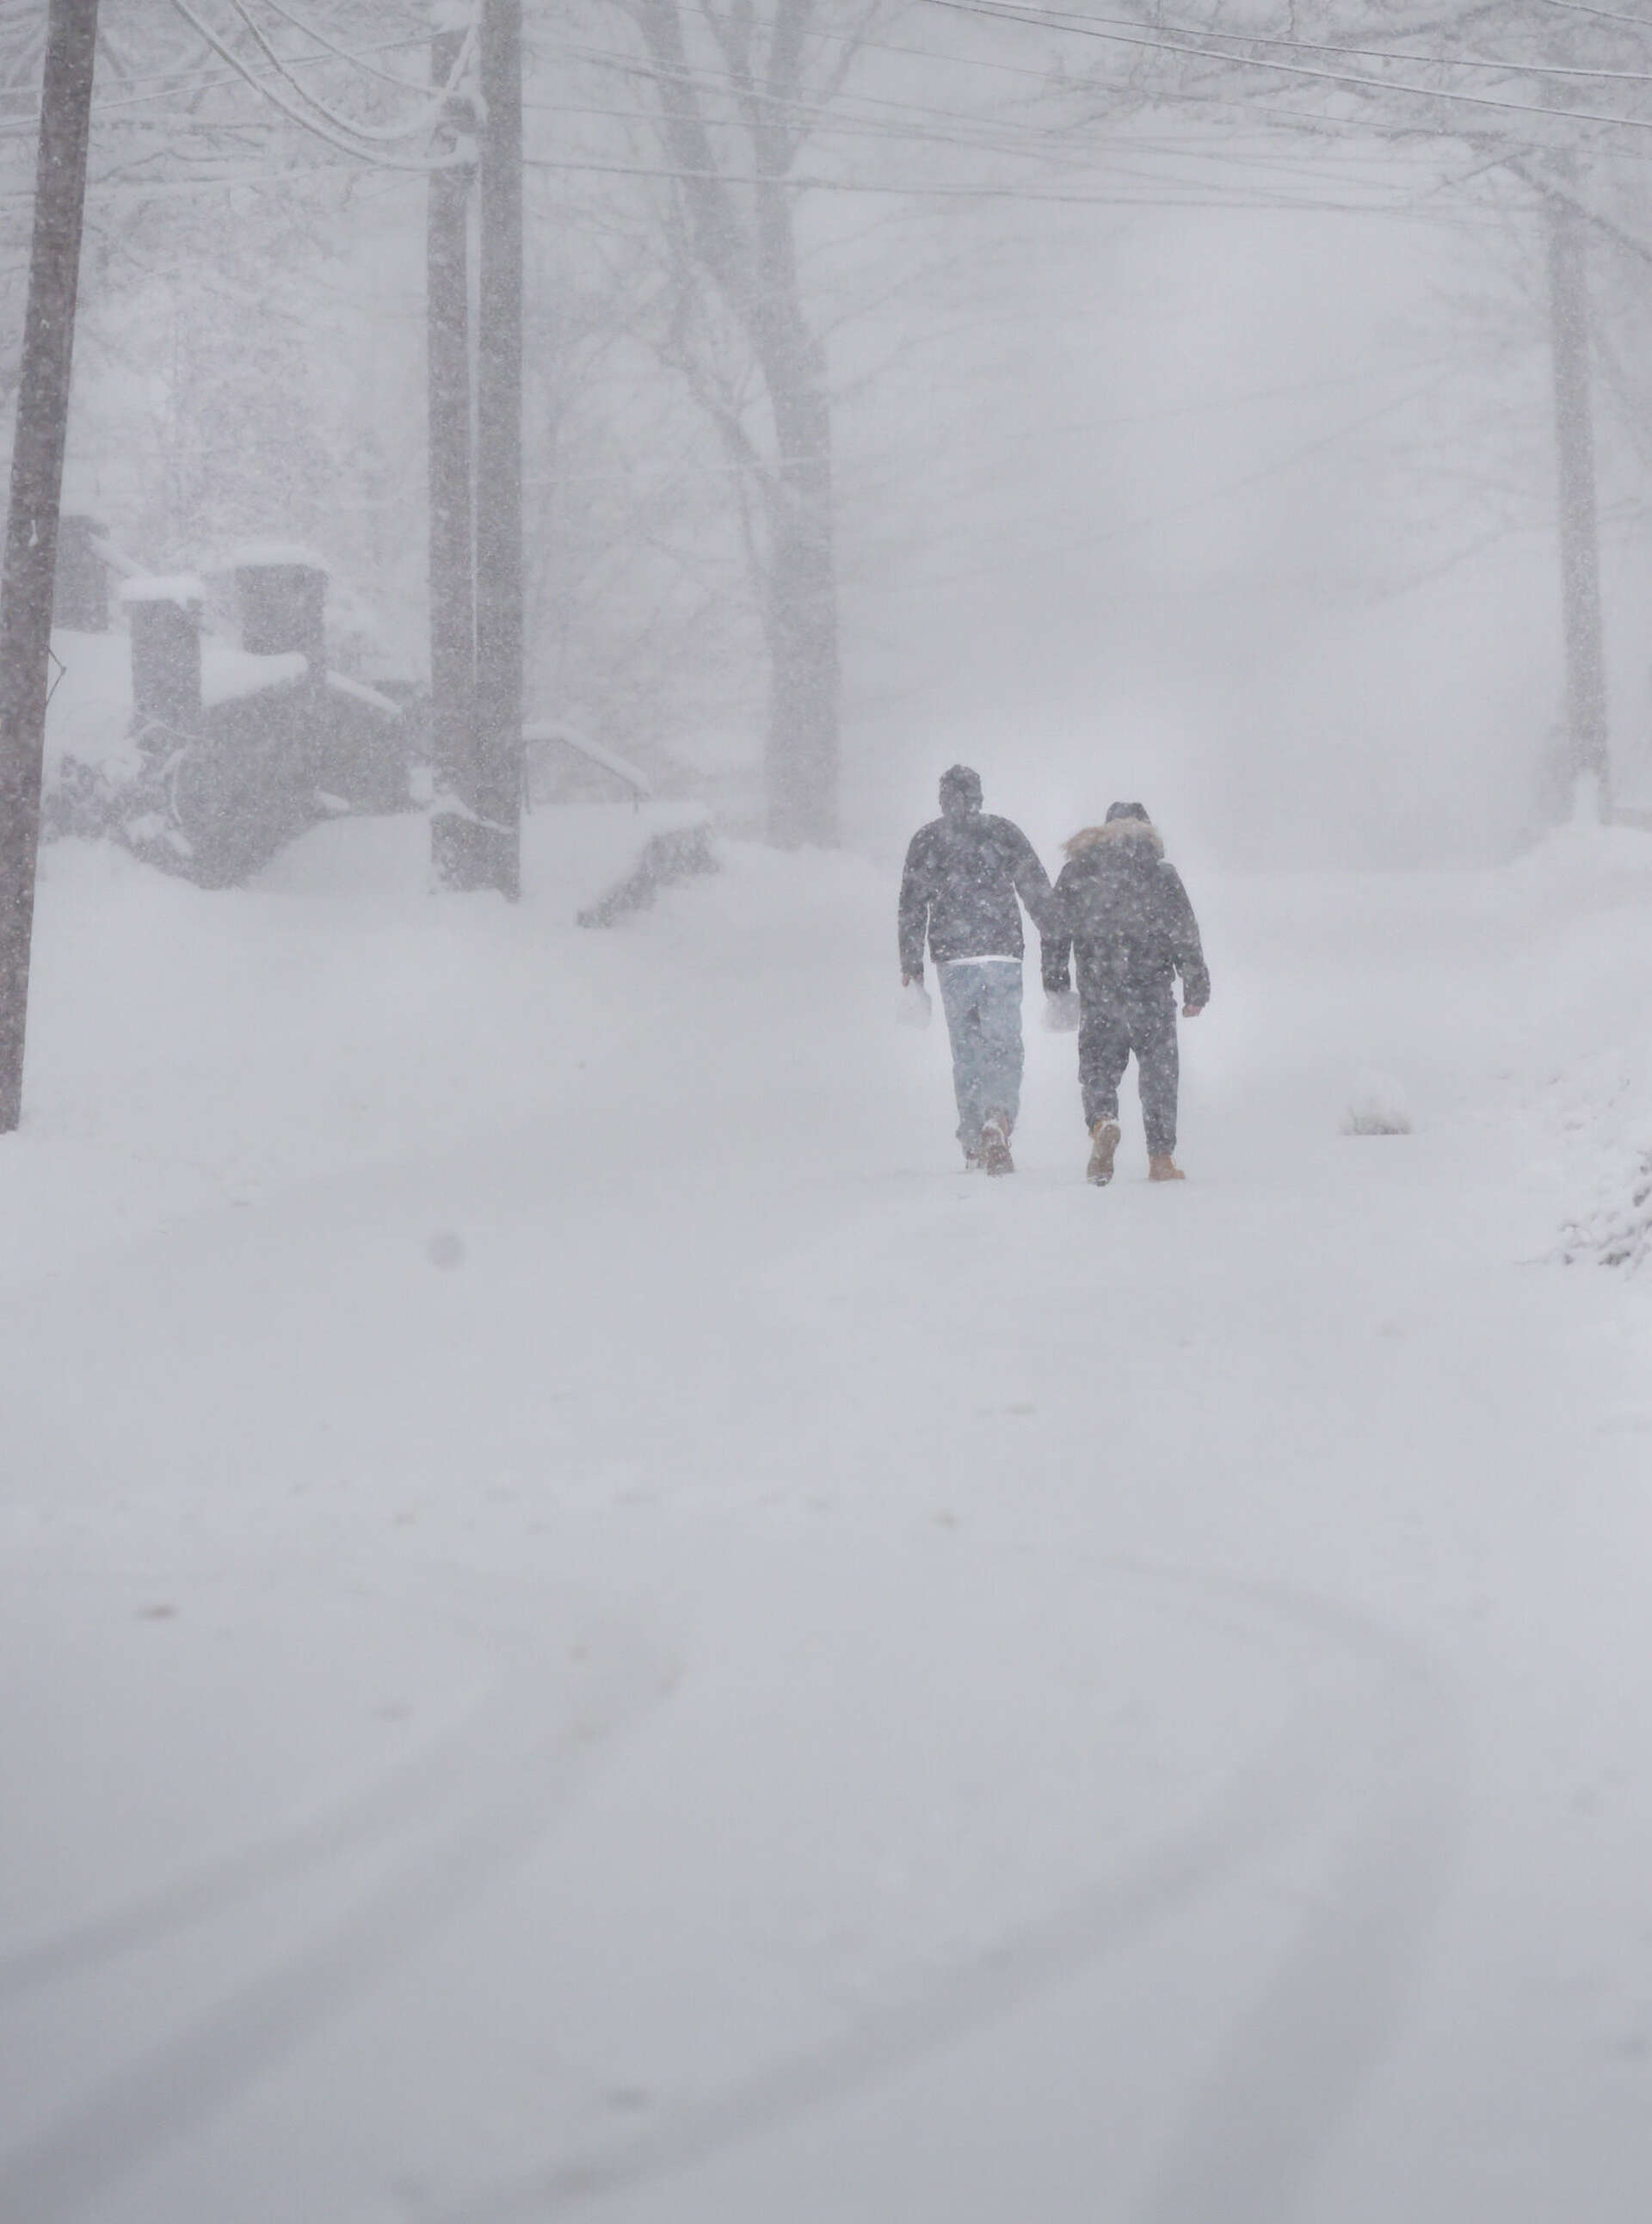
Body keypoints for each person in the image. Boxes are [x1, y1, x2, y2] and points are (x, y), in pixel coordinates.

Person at [898, 765, 1057, 1175]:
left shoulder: (927, 840)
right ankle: (998, 1118)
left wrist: (911, 965)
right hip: (1001, 954)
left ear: (943, 799)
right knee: (1003, 1044)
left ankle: (973, 1142)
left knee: (966, 1051)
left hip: (954, 959)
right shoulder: (1002, 832)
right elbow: (1035, 889)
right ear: (979, 797)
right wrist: (1058, 939)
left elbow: (912, 905)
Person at [1042, 800, 1210, 1186]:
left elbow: (1055, 930)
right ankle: (1161, 1159)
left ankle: (1102, 1121)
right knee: (1159, 1077)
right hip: (1151, 991)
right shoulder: (1161, 875)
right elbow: (1185, 932)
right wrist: (1195, 986)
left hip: (1100, 990)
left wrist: (1056, 982)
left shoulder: (1077, 873)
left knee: (1098, 1069)